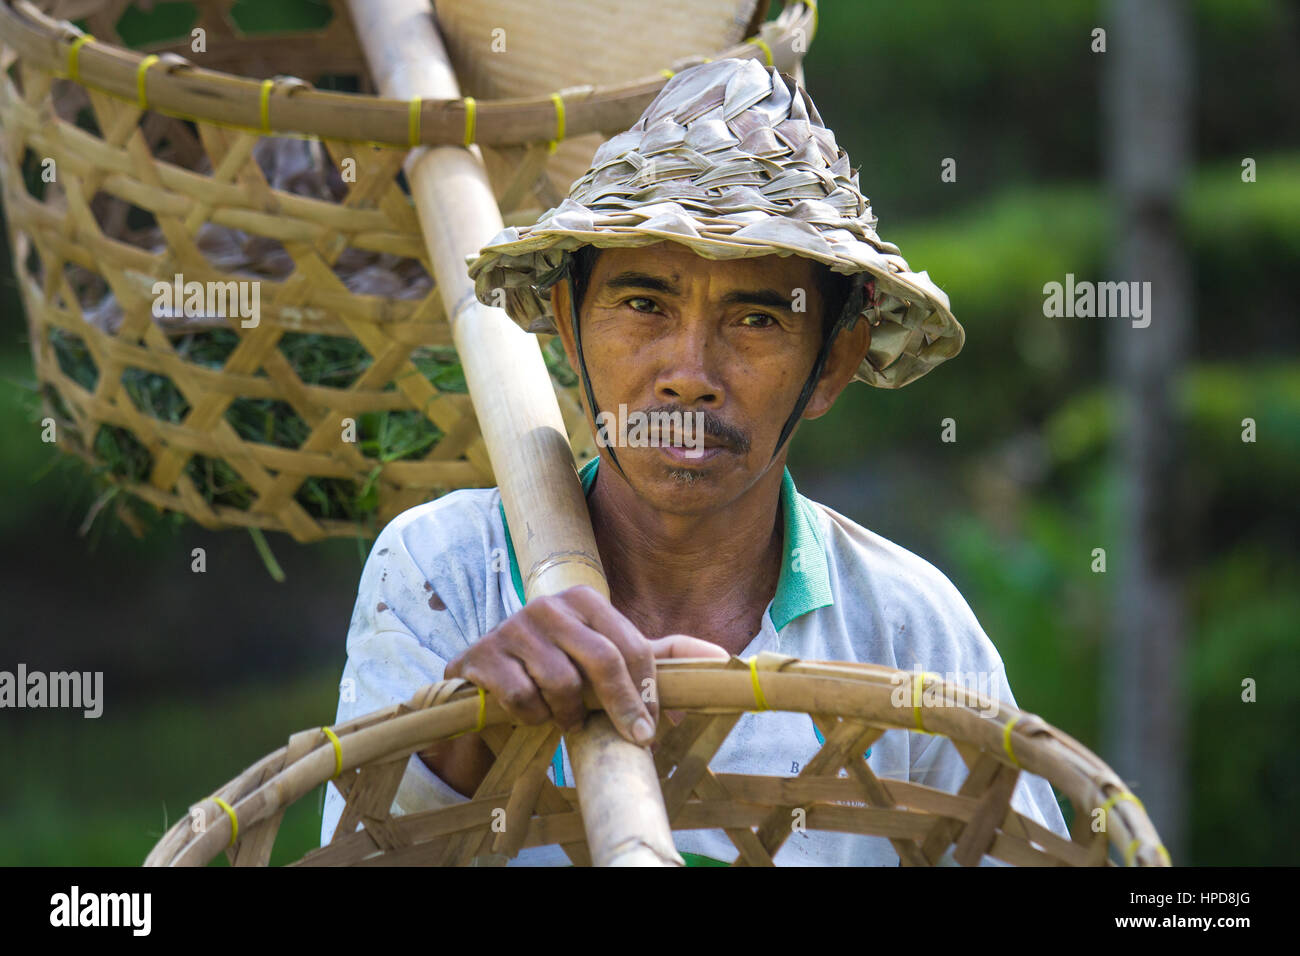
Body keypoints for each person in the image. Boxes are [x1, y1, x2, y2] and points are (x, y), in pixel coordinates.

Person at [321, 57, 1069, 865]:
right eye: (643, 305)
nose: (689, 373)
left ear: (835, 363)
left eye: (755, 321)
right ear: (569, 333)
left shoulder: (906, 632)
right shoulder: (446, 572)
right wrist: (463, 745)